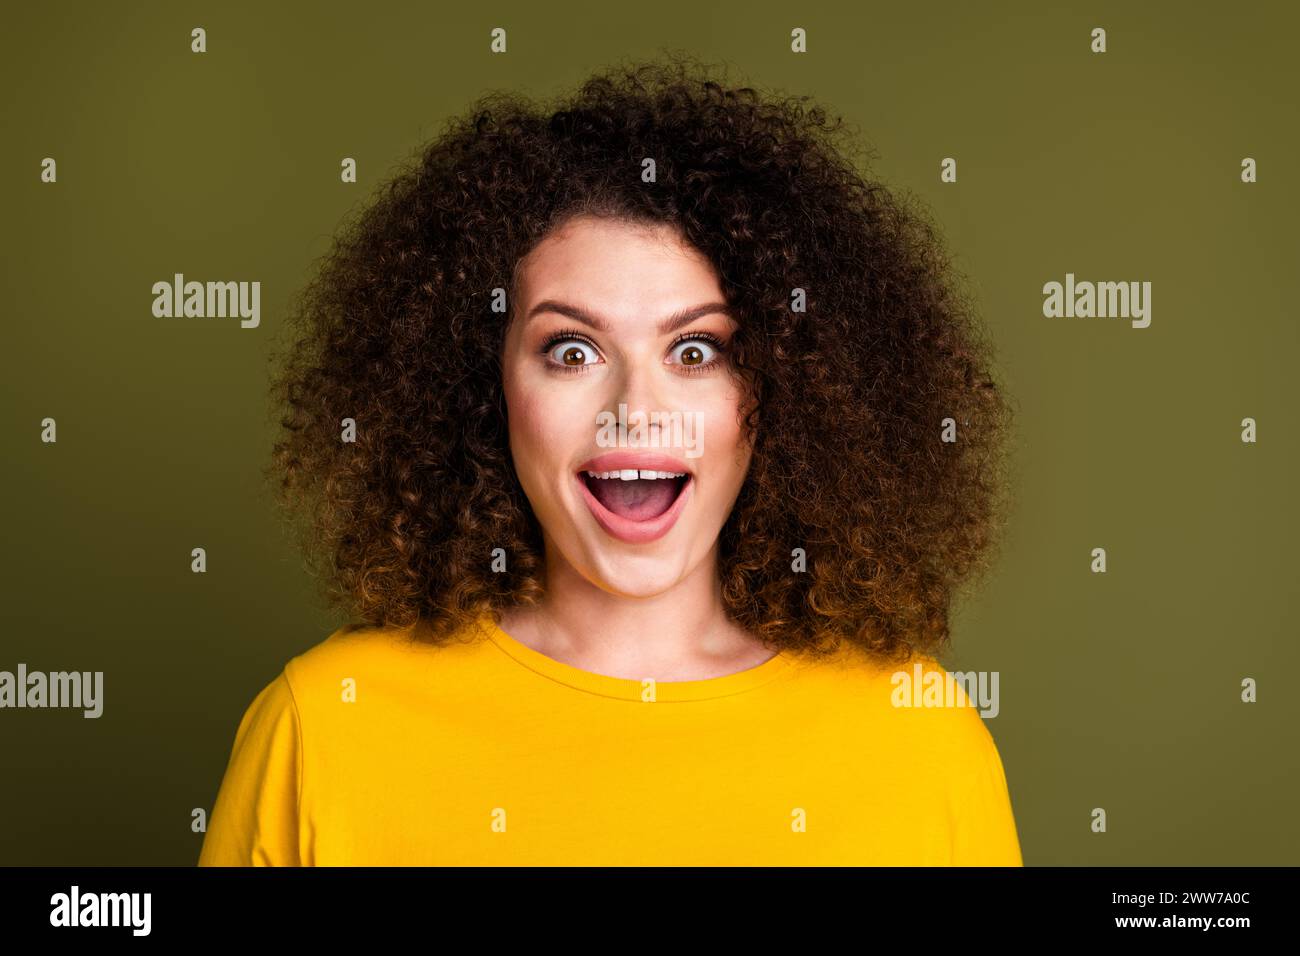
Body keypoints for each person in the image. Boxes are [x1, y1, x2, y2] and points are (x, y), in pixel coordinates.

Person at [198, 54, 1022, 866]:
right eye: (571, 351)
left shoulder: (917, 738)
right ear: (483, 388)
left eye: (696, 351)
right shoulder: (324, 724)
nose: (637, 410)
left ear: (784, 391)